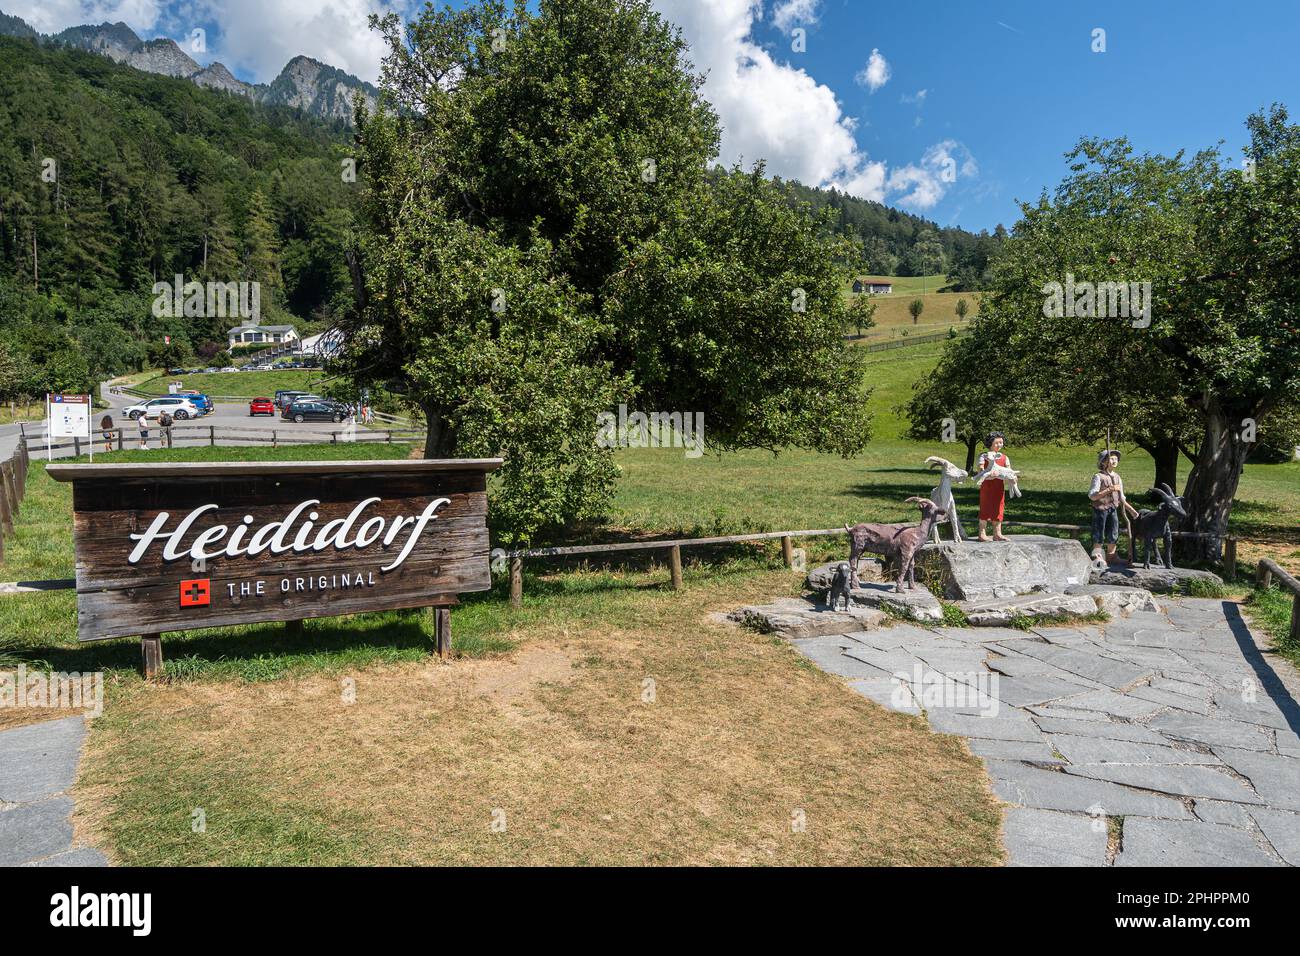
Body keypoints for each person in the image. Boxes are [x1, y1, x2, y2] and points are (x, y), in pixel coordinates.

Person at [1088, 449, 1139, 565]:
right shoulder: (1098, 476)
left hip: (1113, 509)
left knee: (1114, 531)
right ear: (1104, 462)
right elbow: (1092, 496)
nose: (1114, 461)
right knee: (1098, 532)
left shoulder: (1117, 477)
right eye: (1111, 458)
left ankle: (1111, 555)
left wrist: (1131, 510)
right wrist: (1108, 490)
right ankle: (1097, 555)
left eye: (1116, 459)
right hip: (1100, 509)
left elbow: (1121, 497)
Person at [974, 431, 1011, 542]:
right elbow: (980, 469)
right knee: (985, 507)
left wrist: (1012, 477)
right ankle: (982, 533)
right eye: (997, 443)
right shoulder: (984, 456)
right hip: (987, 486)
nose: (999, 445)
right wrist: (987, 472)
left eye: (1001, 442)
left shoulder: (1004, 457)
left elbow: (1008, 470)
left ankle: (997, 533)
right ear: (990, 443)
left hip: (999, 487)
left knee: (999, 508)